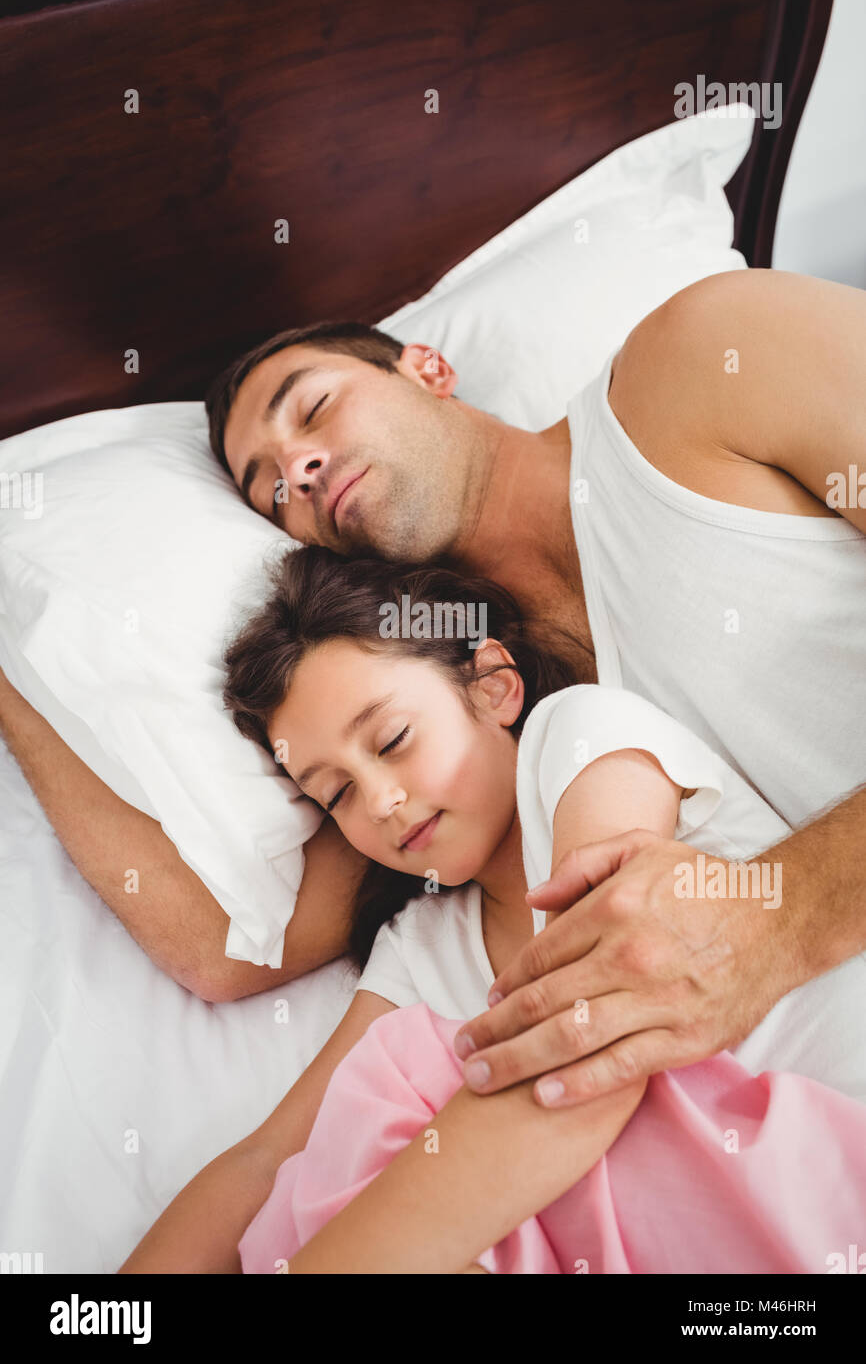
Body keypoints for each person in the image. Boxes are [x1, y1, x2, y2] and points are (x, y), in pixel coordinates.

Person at [2, 268, 865, 1101]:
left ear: (428, 368)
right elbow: (226, 953)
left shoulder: (707, 358)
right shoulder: (457, 714)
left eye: (312, 408)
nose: (297, 470)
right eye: (271, 493)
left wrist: (772, 924)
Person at [121, 548, 866, 1274]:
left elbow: (593, 1044)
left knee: (402, 1087)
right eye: (337, 794)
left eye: (392, 740)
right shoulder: (426, 941)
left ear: (493, 688)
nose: (380, 801)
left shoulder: (581, 740)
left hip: (821, 1165)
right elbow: (263, 1160)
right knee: (328, 1158)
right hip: (696, 1227)